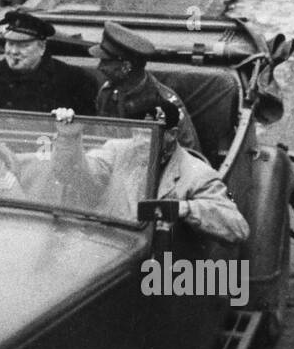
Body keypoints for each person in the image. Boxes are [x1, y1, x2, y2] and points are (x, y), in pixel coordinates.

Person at [44, 103, 248, 244]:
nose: (140, 140)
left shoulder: (198, 174)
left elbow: (237, 228)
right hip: (102, 248)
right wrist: (68, 137)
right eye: (137, 131)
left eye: (149, 133)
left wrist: (185, 208)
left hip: (156, 269)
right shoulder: (117, 150)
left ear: (172, 135)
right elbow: (70, 174)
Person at [91, 21, 202, 159]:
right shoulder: (107, 93)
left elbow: (190, 157)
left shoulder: (166, 104)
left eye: (106, 62)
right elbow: (103, 141)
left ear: (126, 66)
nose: (100, 67)